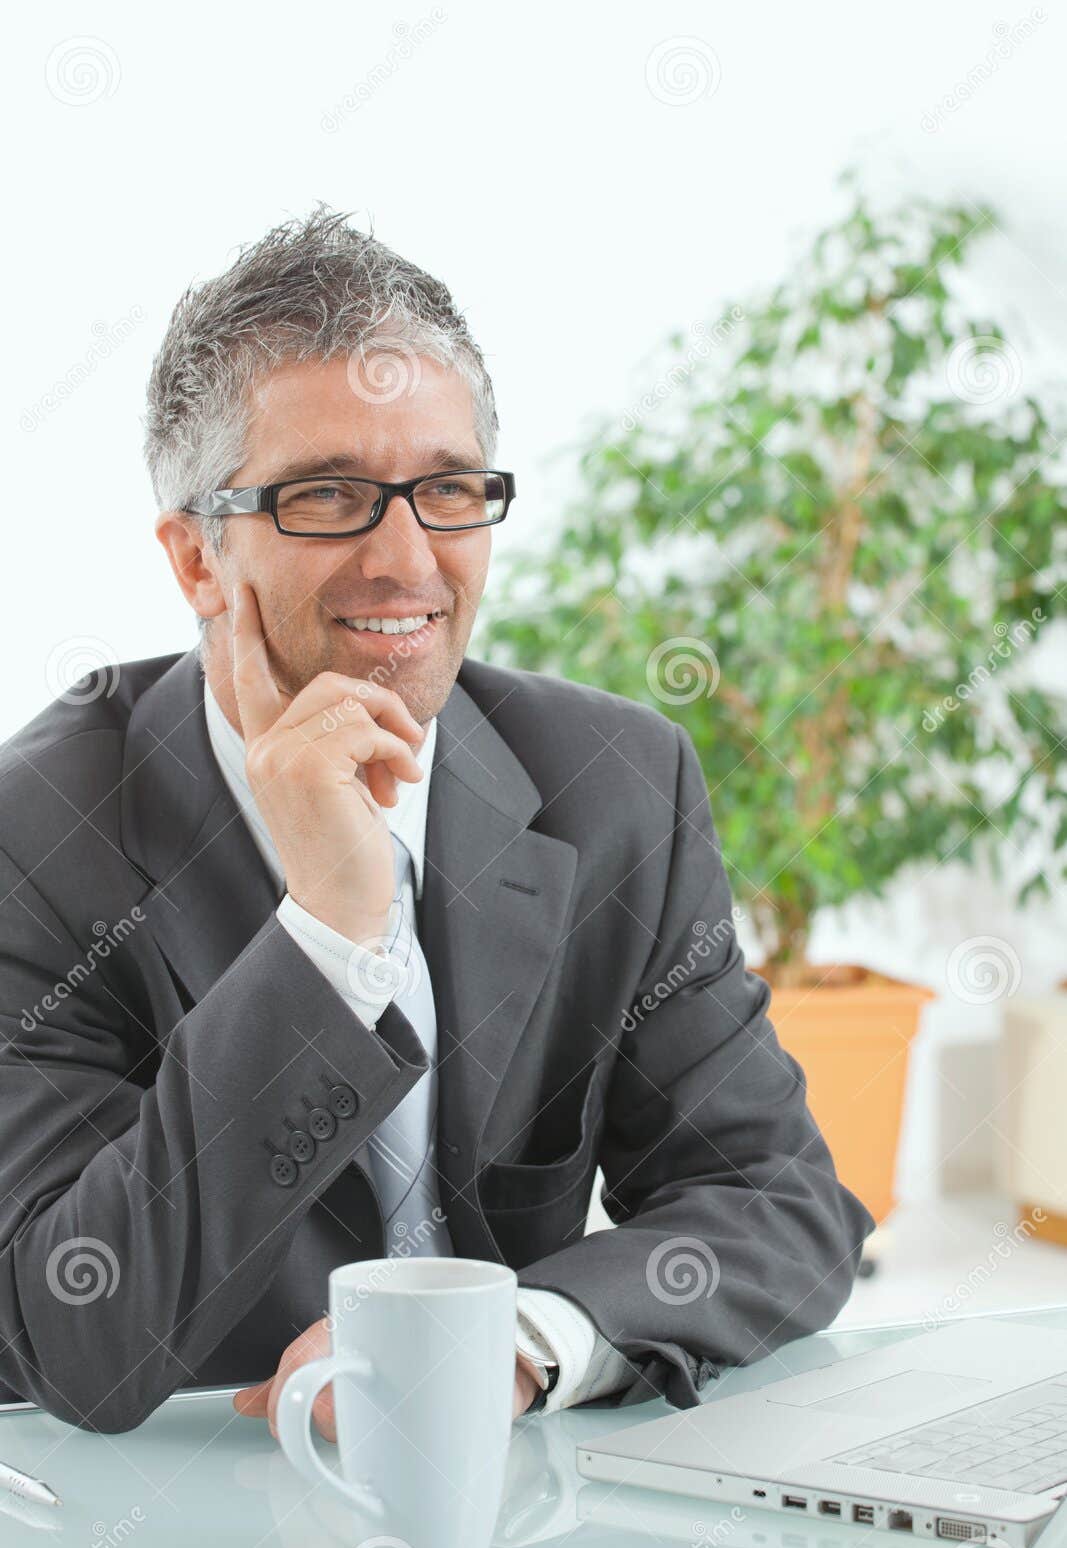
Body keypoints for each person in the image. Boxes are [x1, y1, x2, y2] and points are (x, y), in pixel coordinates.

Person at [0, 208, 874, 1436]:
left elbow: (778, 1202)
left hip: (497, 1503)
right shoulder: (35, 834)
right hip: (160, 1500)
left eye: (448, 490)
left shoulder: (615, 783)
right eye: (328, 495)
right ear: (196, 560)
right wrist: (329, 932)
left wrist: (516, 1338)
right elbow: (72, 1332)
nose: (407, 560)